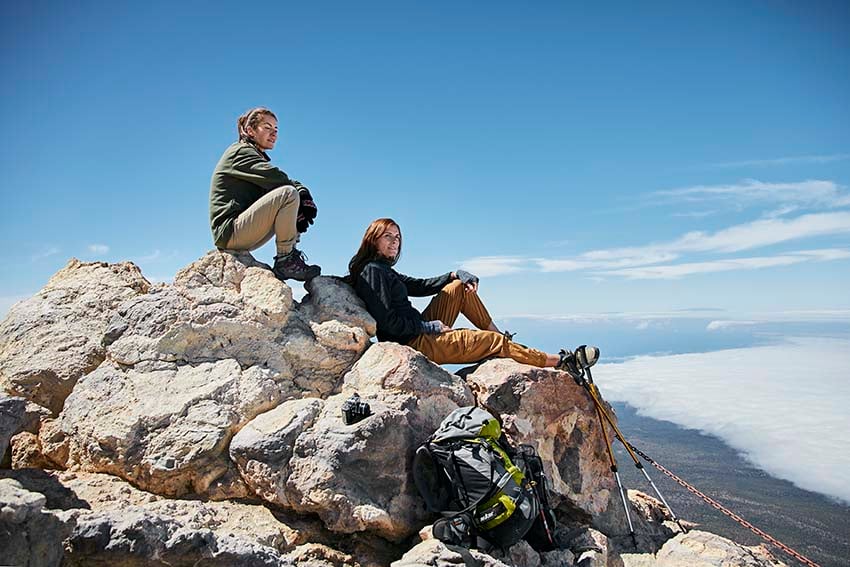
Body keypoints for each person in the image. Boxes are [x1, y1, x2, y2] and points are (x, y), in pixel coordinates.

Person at [348, 218, 597, 371]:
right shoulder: (373, 271)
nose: (395, 242)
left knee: (458, 288)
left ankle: (502, 337)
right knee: (491, 343)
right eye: (388, 236)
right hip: (414, 342)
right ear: (373, 239)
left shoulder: (381, 269)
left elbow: (420, 286)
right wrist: (429, 327)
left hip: (417, 331)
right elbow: (388, 323)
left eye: (398, 237)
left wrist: (455, 274)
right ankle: (560, 362)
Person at [209, 107, 320, 281]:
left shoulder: (254, 155)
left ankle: (290, 254)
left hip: (241, 232)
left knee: (291, 197)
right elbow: (278, 178)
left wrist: (298, 209)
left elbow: (276, 184)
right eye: (267, 128)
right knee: (288, 194)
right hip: (230, 232)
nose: (274, 133)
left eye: (276, 129)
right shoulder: (240, 152)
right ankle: (285, 260)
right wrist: (303, 193)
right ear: (250, 131)